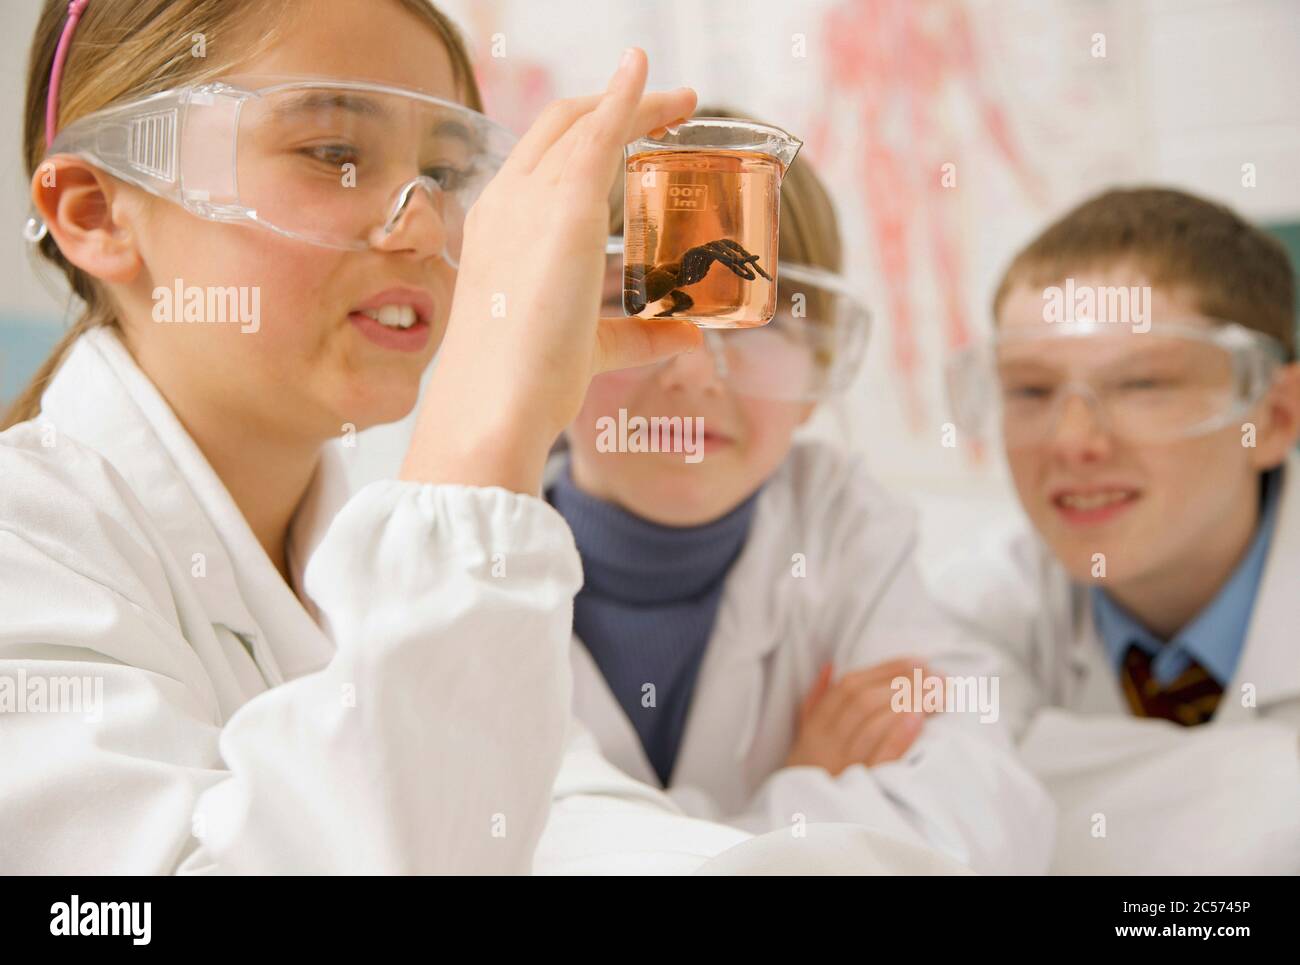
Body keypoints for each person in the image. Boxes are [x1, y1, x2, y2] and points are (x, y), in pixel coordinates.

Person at [0, 0, 785, 874]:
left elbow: (573, 825)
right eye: (334, 154)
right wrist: (484, 438)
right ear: (95, 212)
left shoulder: (361, 551)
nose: (421, 228)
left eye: (446, 175)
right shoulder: (21, 553)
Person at [543, 110, 1056, 875]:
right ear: (548, 338)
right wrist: (803, 796)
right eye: (640, 302)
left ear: (819, 371)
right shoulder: (466, 558)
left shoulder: (846, 527)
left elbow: (984, 823)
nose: (694, 369)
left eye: (753, 319)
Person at [938, 186, 1300, 873]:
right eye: (1031, 391)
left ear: (1274, 418)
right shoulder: (977, 610)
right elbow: (936, 832)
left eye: (1141, 385)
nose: (1073, 442)